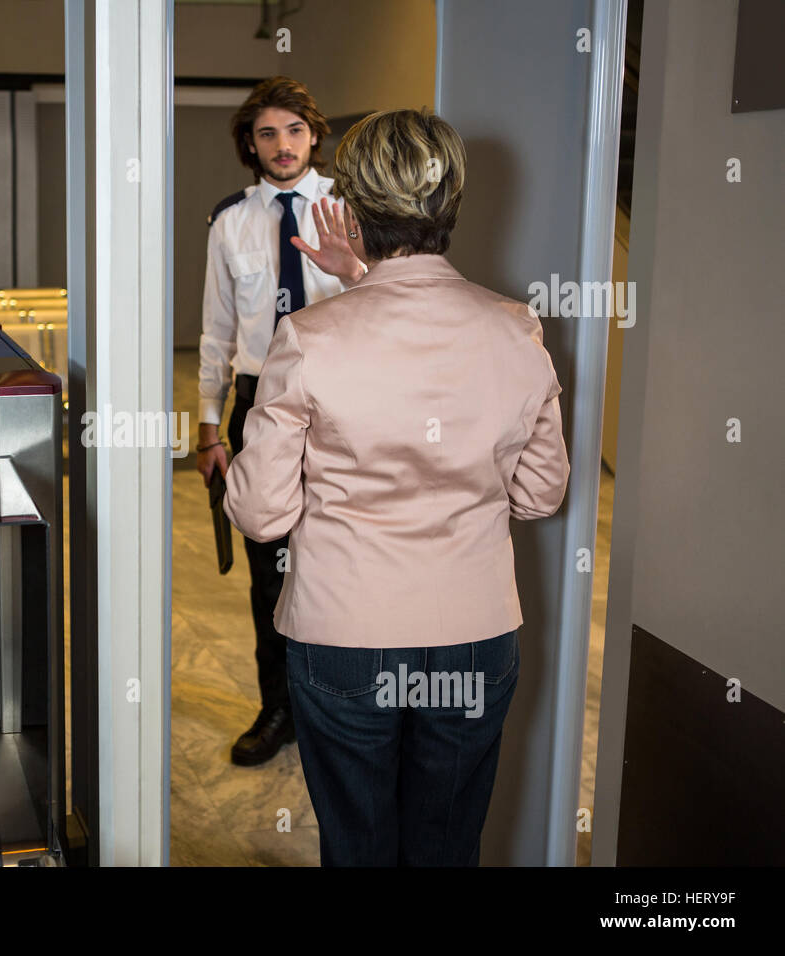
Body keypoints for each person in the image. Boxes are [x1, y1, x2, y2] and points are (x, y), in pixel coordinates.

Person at [223, 108, 570, 865]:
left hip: (346, 639)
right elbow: (542, 495)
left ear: (352, 208)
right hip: (474, 634)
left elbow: (260, 513)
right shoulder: (516, 328)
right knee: (447, 841)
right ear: (452, 202)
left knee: (360, 843)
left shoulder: (310, 339)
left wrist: (358, 287)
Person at [196, 76, 367, 767]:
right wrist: (209, 428)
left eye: (293, 129)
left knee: (339, 561)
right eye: (267, 132)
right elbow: (214, 331)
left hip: (340, 403)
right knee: (270, 569)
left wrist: (354, 268)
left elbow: (381, 298)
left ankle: (340, 709)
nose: (282, 144)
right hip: (257, 403)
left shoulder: (350, 208)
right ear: (250, 144)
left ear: (314, 135)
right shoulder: (230, 220)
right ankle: (279, 710)